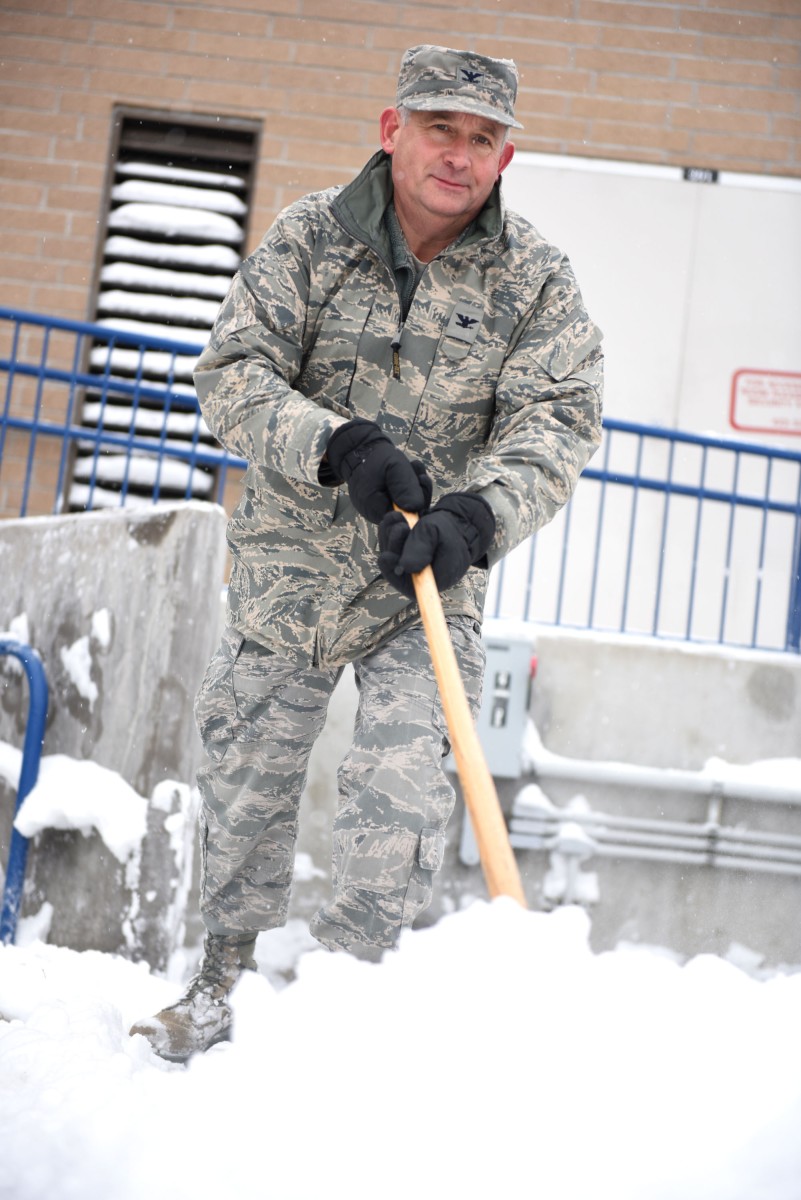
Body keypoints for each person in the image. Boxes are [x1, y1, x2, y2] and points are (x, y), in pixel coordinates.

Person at [130, 44, 603, 1062]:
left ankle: (350, 1020)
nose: (460, 155)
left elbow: (556, 424)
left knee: (400, 807)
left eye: (483, 139)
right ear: (394, 130)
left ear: (503, 158)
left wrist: (477, 516)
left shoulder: (536, 283)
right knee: (248, 793)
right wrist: (336, 444)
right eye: (442, 129)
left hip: (424, 585)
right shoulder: (308, 239)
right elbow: (233, 375)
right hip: (288, 575)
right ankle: (213, 992)